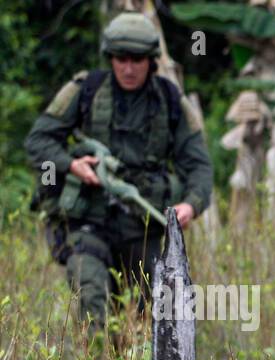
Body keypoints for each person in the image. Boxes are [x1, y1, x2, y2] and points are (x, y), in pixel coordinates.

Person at [24, 12, 213, 335]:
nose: (128, 68)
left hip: (143, 228)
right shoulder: (85, 89)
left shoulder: (169, 100)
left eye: (137, 59)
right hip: (88, 221)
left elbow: (198, 165)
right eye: (120, 58)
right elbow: (38, 141)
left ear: (151, 61)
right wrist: (72, 165)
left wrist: (191, 205)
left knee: (146, 322)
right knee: (92, 302)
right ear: (109, 58)